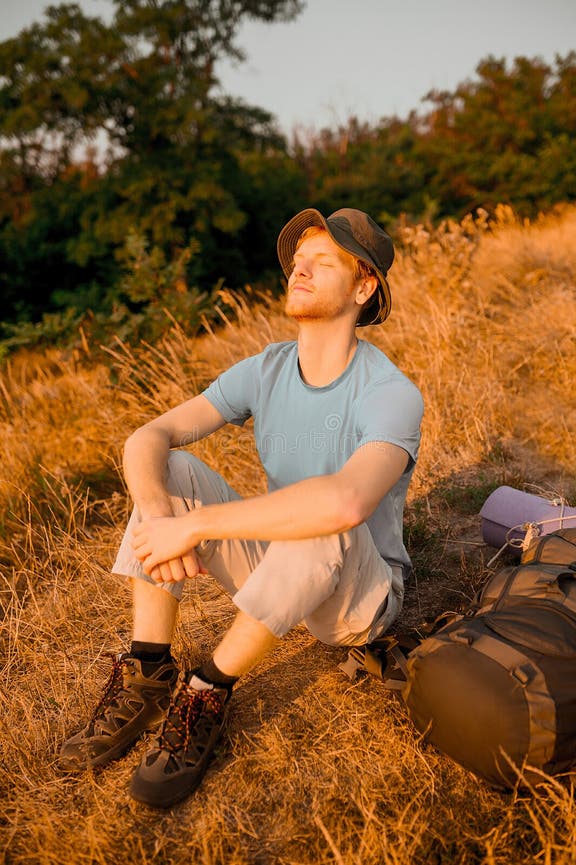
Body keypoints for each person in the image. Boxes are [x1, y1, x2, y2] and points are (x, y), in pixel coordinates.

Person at [59, 207, 424, 808]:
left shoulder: (390, 393)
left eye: (322, 262)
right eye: (297, 261)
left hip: (359, 599)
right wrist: (160, 517)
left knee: (322, 510)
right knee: (170, 470)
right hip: (280, 567)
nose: (299, 270)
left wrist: (196, 526)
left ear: (364, 288)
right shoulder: (266, 368)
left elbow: (347, 502)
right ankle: (148, 670)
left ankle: (206, 691)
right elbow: (148, 437)